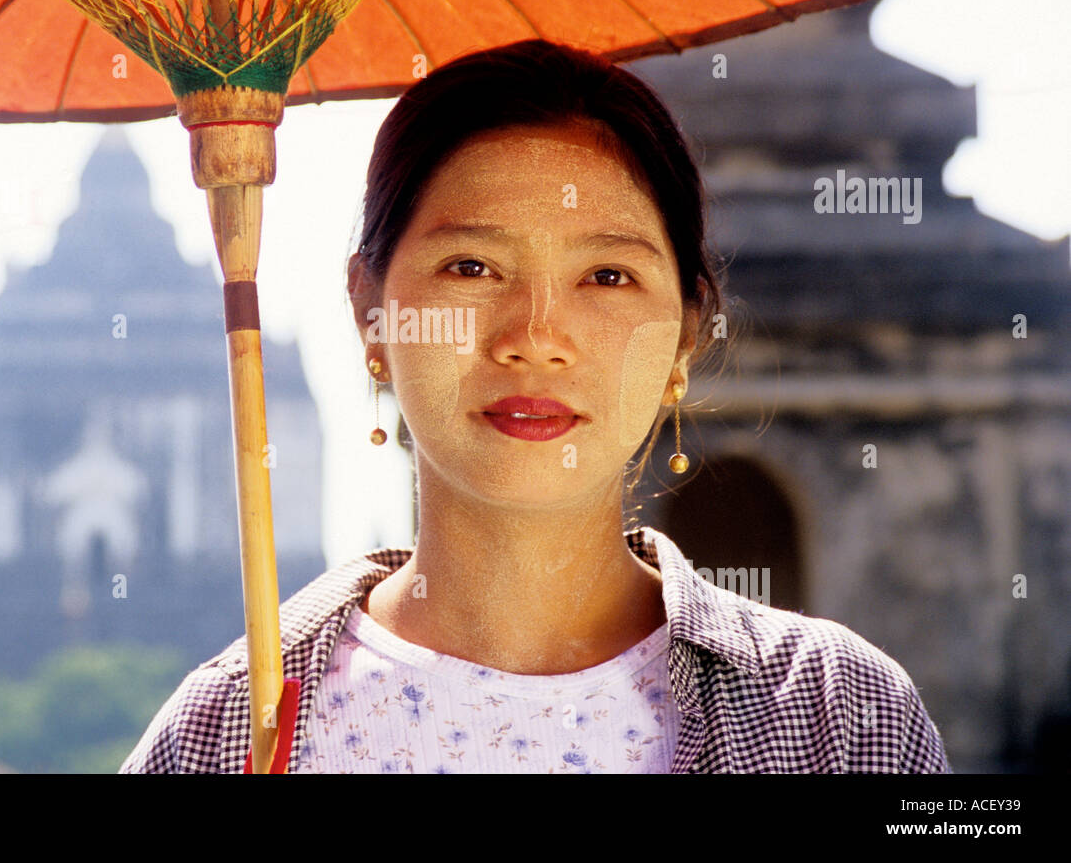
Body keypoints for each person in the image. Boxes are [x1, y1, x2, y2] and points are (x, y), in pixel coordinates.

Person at [120, 39, 951, 774]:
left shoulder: (837, 716)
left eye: (607, 277)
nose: (535, 338)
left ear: (688, 332)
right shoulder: (223, 734)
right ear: (371, 311)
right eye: (472, 268)